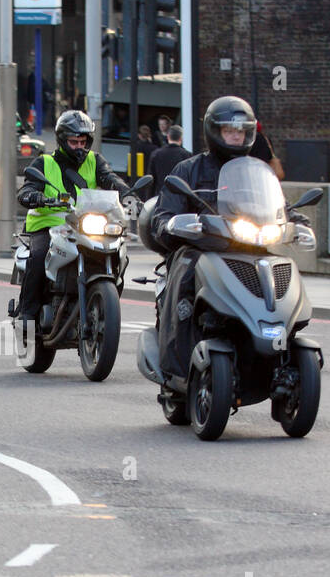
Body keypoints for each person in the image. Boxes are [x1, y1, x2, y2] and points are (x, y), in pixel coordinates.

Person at [151, 96, 260, 388]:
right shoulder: (188, 170)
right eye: (229, 129)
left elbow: (277, 207)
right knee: (187, 273)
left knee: (279, 271)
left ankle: (281, 348)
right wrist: (172, 223)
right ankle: (177, 367)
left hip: (247, 252)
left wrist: (294, 221)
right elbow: (163, 215)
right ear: (214, 131)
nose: (237, 135)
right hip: (201, 251)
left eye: (242, 129)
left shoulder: (255, 173)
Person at [13, 109, 131, 322]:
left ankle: (105, 307)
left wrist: (129, 196)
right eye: (74, 142)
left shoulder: (95, 161)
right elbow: (25, 190)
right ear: (62, 140)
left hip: (84, 225)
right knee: (39, 257)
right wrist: (35, 197)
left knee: (119, 253)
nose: (80, 147)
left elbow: (112, 180)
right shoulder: (44, 163)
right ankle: (27, 314)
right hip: (47, 225)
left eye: (83, 142)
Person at [145, 125, 191, 200]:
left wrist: (148, 200)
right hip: (180, 200)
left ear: (168, 137)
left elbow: (151, 181)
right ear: (181, 138)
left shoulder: (156, 154)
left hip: (160, 198)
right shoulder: (187, 156)